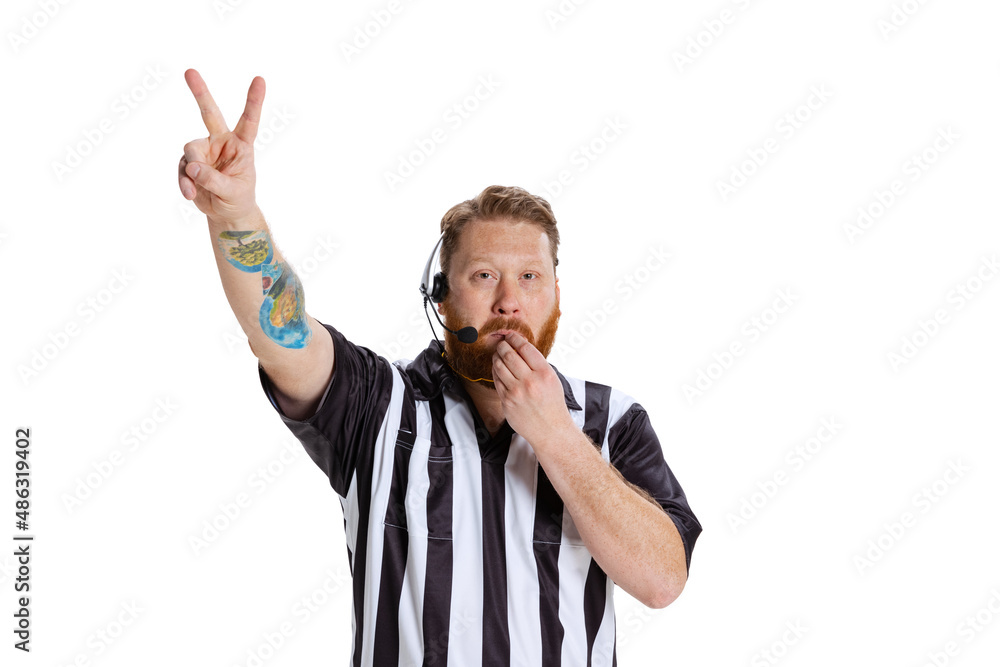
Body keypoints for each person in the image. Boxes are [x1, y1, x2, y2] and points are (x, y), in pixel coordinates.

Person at [178, 68, 701, 666]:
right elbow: (283, 334)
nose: (509, 300)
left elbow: (663, 580)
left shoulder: (616, 422)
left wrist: (557, 436)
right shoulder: (379, 407)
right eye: (484, 277)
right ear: (441, 298)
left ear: (556, 294)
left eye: (530, 278)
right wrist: (234, 213)